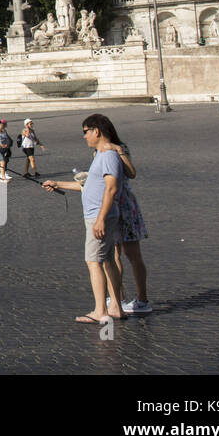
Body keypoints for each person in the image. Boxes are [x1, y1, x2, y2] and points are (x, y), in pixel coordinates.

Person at [42, 114, 125, 324]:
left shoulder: (106, 156)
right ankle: (116, 306)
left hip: (99, 216)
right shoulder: (101, 155)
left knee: (93, 261)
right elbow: (87, 186)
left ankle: (101, 311)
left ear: (96, 131)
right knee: (106, 261)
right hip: (101, 214)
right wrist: (58, 184)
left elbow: (112, 188)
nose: (84, 137)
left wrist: (100, 219)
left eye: (85, 132)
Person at [110, 136, 151, 315]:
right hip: (113, 203)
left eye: (87, 131)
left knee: (132, 254)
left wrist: (119, 152)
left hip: (122, 205)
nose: (85, 136)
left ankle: (142, 300)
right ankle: (118, 297)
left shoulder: (118, 148)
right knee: (114, 254)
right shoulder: (99, 150)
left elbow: (131, 173)